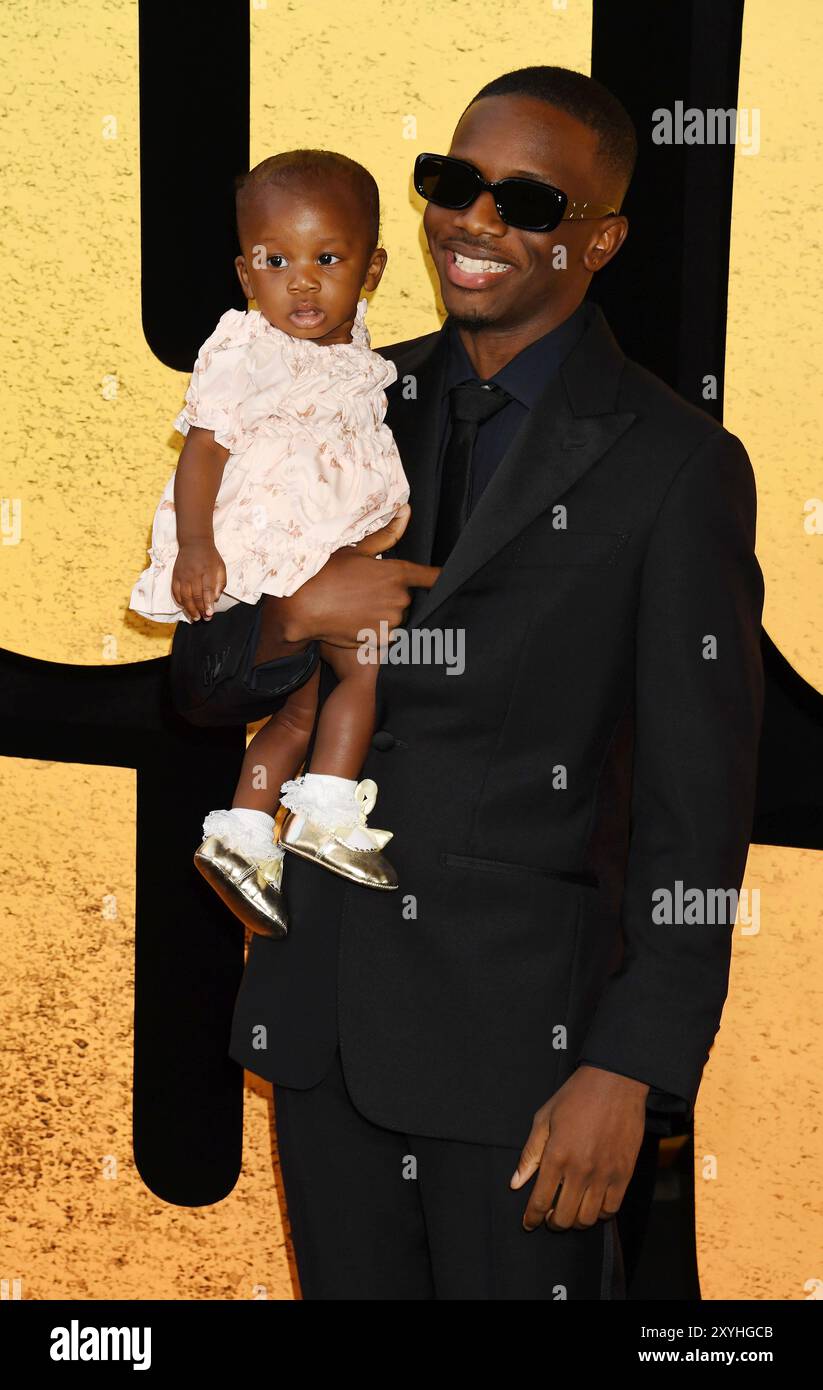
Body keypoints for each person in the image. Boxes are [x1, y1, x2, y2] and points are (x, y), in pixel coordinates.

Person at [169, 66, 765, 1300]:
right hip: (323, 1026)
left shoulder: (673, 464)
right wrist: (293, 614)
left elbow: (694, 815)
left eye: (527, 200)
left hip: (527, 1067)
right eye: (451, 184)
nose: (474, 222)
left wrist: (629, 1069)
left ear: (598, 238)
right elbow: (199, 679)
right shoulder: (336, 390)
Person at [130, 151, 414, 937]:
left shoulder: (355, 355)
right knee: (363, 662)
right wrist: (193, 547)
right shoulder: (245, 349)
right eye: (275, 261)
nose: (301, 281)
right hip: (263, 547)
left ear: (372, 267)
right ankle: (324, 805)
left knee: (300, 708)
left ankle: (243, 830)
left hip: (324, 546)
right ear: (244, 271)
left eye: (327, 259)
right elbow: (203, 452)